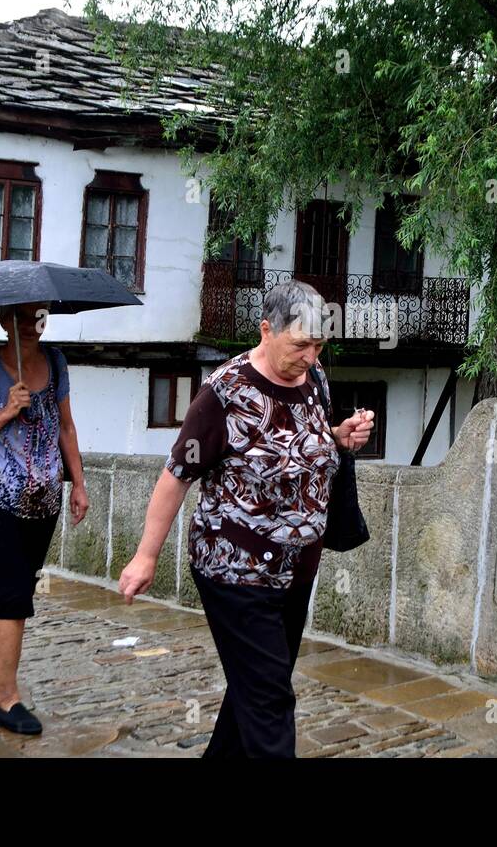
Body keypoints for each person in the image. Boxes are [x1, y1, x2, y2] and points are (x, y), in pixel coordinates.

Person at [119, 280, 375, 757]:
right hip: (235, 572)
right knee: (270, 700)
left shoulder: (314, 379)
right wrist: (145, 556)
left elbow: (308, 443)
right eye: (300, 344)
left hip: (295, 573)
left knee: (255, 692)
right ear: (266, 330)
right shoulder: (224, 393)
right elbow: (177, 474)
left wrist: (341, 436)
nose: (311, 356)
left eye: (319, 345)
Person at [0, 301, 89, 735]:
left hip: (42, 498)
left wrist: (78, 484)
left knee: (18, 583)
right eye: (22, 317)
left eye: (38, 317)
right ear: (4, 321)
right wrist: (6, 411)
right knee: (15, 591)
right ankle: (7, 701)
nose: (32, 325)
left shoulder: (56, 361)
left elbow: (66, 426)